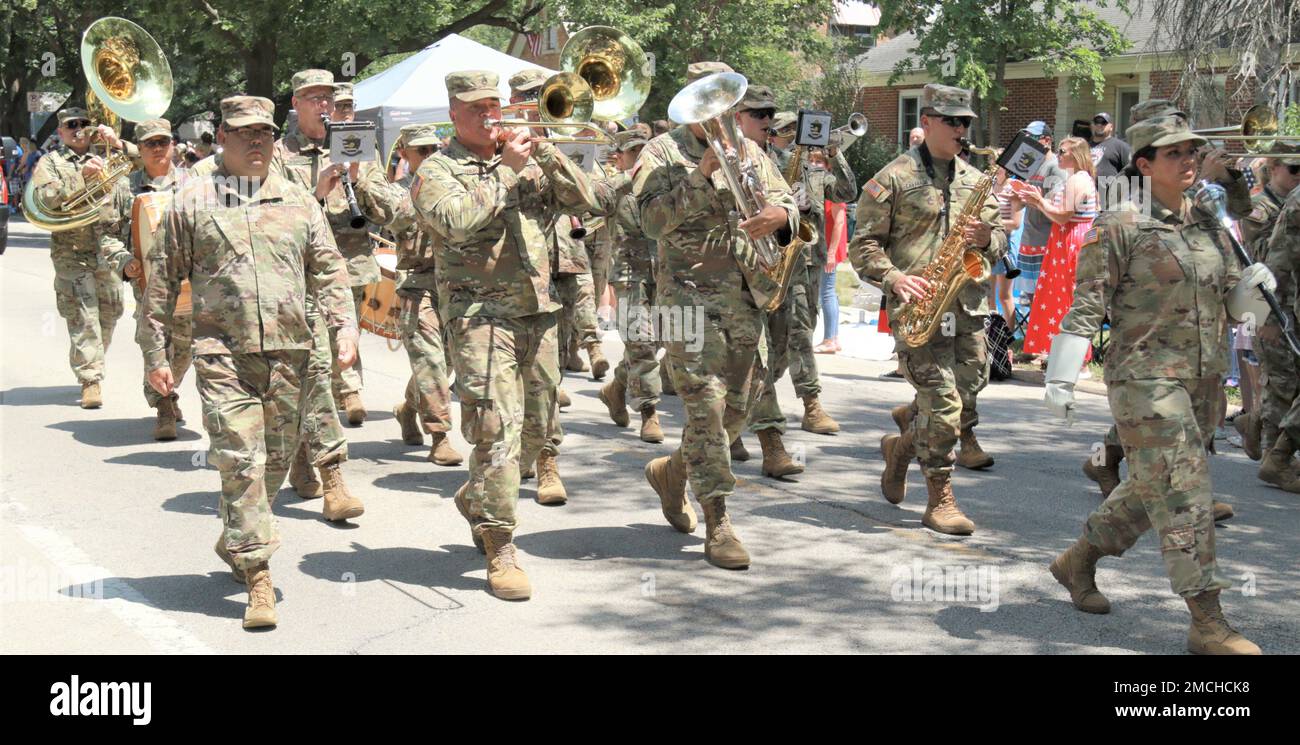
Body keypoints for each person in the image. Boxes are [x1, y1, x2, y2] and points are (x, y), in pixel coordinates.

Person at [1042, 114, 1270, 655]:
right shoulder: (1120, 223)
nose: (1189, 160)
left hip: (1204, 378)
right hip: (1145, 380)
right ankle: (1207, 621)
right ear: (1144, 165)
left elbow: (1230, 300)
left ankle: (1079, 560)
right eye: (1174, 153)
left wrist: (1254, 291)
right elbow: (1087, 304)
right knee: (1185, 492)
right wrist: (1060, 378)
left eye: (1192, 151)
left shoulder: (1209, 221)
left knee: (1151, 490)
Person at [140, 95, 359, 629]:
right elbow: (162, 279)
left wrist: (344, 322)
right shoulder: (191, 196)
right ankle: (258, 577)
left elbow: (327, 266)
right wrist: (156, 353)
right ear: (222, 134)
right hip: (222, 355)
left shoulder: (297, 196)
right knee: (242, 461)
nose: (256, 141)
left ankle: (236, 538)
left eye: (264, 131)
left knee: (277, 463)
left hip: (291, 352)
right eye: (244, 133)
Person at [411, 70, 596, 600]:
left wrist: (551, 152)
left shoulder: (528, 155)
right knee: (496, 427)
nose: (490, 115)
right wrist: (508, 172)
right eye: (476, 108)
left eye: (495, 105)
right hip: (477, 315)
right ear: (453, 114)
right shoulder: (438, 169)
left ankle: (478, 493)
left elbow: (589, 201)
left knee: (537, 430)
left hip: (536, 310)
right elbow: (456, 221)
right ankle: (499, 543)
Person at [638, 62, 799, 569]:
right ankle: (718, 518)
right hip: (686, 300)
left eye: (728, 105)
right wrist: (701, 175)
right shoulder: (661, 153)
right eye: (712, 105)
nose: (722, 116)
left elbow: (787, 203)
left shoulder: (750, 150)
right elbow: (648, 221)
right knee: (706, 408)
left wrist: (783, 216)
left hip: (746, 296)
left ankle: (675, 471)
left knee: (741, 408)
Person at [850, 83, 1007, 535]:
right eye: (953, 121)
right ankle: (940, 498)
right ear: (928, 121)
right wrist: (894, 278)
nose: (962, 129)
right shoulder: (894, 177)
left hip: (967, 307)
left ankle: (901, 448)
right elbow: (863, 246)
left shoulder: (977, 181)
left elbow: (998, 244)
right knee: (942, 405)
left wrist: (987, 240)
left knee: (965, 400)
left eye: (967, 122)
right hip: (917, 308)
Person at [273, 69, 395, 519]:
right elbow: (274, 223)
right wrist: (315, 194)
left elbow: (391, 212)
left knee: (321, 370)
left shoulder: (358, 145)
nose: (323, 106)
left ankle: (325, 471)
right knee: (308, 375)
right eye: (313, 98)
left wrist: (360, 179)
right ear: (296, 103)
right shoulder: (276, 155)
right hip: (292, 283)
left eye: (329, 98)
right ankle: (313, 463)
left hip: (341, 276)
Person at [28, 108, 134, 407]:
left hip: (110, 248)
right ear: (60, 132)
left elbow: (151, 161)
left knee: (110, 314)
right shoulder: (51, 162)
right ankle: (91, 379)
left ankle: (93, 362)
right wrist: (81, 177)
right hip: (72, 252)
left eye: (83, 124)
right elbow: (47, 198)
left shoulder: (110, 154)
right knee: (84, 316)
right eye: (70, 125)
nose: (78, 129)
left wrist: (119, 142)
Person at [100, 118, 192, 440]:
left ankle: (169, 387)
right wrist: (125, 262)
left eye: (163, 142)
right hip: (148, 282)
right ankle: (164, 406)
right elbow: (107, 236)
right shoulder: (124, 189)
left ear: (173, 145)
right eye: (150, 143)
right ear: (139, 149)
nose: (158, 149)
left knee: (184, 346)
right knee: (155, 342)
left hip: (188, 282)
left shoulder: (192, 183)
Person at [382, 123, 464, 468]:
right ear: (405, 154)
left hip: (455, 284)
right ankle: (440, 435)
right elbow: (394, 219)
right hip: (417, 285)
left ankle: (408, 407)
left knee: (446, 363)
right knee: (430, 361)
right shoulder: (398, 192)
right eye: (422, 151)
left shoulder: (453, 186)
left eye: (434, 149)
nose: (430, 156)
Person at [598, 129, 666, 443]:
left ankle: (616, 387)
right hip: (629, 274)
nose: (640, 157)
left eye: (644, 151)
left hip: (665, 273)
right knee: (642, 345)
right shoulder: (615, 184)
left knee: (660, 342)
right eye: (633, 152)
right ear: (620, 156)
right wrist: (632, 176)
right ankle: (649, 413)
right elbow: (594, 197)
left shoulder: (663, 181)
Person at [1019, 136, 1098, 358]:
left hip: (1072, 240)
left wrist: (1040, 201)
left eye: (1062, 151)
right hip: (1064, 239)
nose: (1059, 154)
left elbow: (1064, 216)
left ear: (1076, 155)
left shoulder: (1079, 179)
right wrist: (1036, 201)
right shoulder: (1075, 178)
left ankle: (1076, 359)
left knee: (1069, 299)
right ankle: (1062, 354)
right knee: (1059, 299)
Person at [1254, 148, 1300, 490]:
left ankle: (1273, 446)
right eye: (1293, 168)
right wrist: (1265, 313)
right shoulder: (1280, 205)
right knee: (1281, 382)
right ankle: (1276, 454)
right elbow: (1275, 260)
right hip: (1279, 304)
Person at [815, 196, 849, 353]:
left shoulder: (834, 193)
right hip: (828, 247)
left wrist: (831, 253)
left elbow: (839, 222)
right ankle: (833, 338)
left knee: (826, 293)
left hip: (829, 248)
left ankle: (829, 340)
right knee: (830, 292)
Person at [1088, 112, 1131, 184]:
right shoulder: (1085, 146)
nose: (1099, 125)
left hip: (1110, 193)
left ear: (1111, 127)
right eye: (1096, 122)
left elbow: (1130, 170)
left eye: (1103, 122)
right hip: (1087, 191)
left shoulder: (1120, 146)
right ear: (1092, 126)